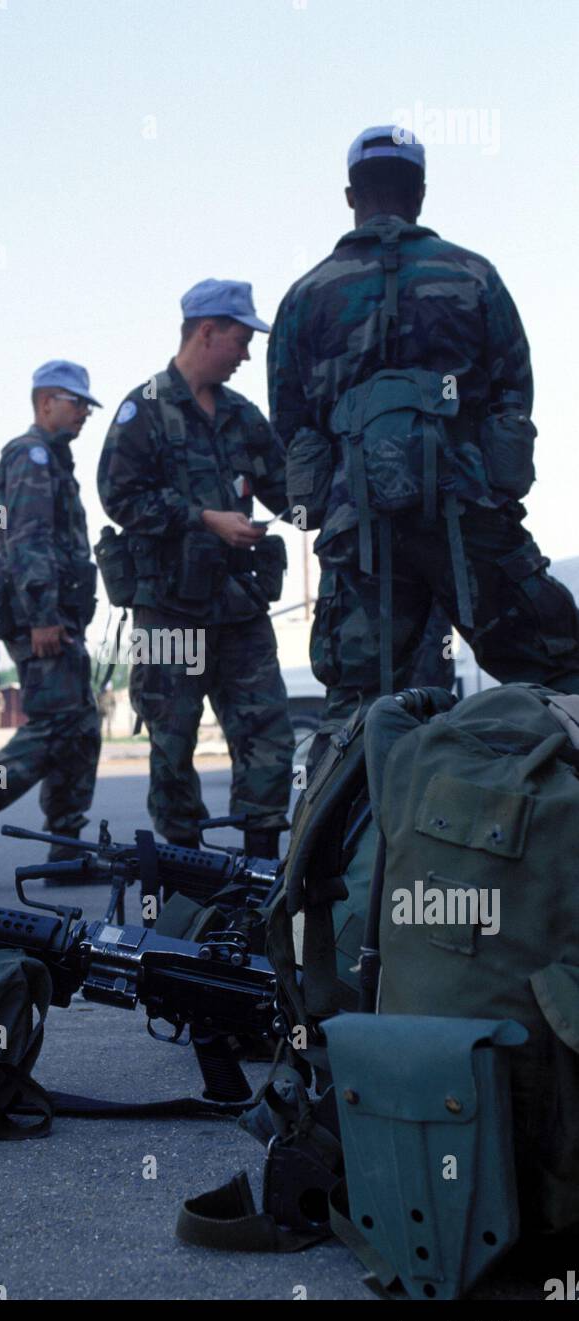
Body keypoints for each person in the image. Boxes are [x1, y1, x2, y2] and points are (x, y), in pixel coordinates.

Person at [268, 126, 579, 766]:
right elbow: (513, 395)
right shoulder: (473, 277)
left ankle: (339, 855)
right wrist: (490, 488)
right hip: (469, 516)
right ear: (421, 194)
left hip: (361, 534)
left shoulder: (306, 295)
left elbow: (291, 423)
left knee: (356, 706)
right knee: (554, 668)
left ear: (351, 195)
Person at [98, 280, 294, 859]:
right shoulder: (145, 407)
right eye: (239, 339)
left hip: (239, 610)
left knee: (267, 737)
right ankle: (184, 875)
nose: (246, 354)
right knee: (172, 742)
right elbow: (119, 497)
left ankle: (261, 876)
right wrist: (204, 518)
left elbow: (288, 492)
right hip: (168, 612)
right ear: (205, 331)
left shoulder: (243, 416)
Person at [0, 361, 102, 889]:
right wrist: (43, 616)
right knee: (54, 728)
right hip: (43, 619)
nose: (84, 415)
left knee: (79, 731)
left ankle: (65, 849)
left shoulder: (51, 459)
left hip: (57, 617)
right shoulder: (30, 457)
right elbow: (26, 540)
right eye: (77, 404)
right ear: (47, 400)